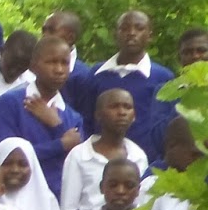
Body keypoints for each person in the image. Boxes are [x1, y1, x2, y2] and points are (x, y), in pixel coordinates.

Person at [74, 10, 175, 164]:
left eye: (139, 28)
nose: (131, 33)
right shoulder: (98, 73)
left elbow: (165, 125)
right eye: (125, 28)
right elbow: (87, 118)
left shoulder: (162, 77)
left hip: (145, 162)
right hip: (99, 160)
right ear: (116, 34)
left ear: (150, 36)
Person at [0, 36, 82, 199]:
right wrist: (60, 145)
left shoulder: (72, 116)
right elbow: (9, 156)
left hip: (55, 198)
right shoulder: (11, 102)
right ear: (33, 66)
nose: (59, 69)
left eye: (65, 63)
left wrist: (56, 123)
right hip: (14, 195)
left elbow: (75, 160)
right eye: (52, 62)